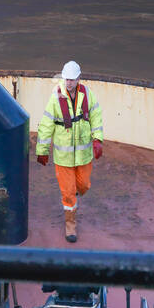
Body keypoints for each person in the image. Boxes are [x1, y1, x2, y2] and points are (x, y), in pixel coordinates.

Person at [36, 60, 103, 243]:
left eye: (72, 80)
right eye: (66, 79)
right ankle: (70, 226)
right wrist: (42, 150)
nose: (69, 83)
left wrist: (97, 139)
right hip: (63, 156)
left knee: (84, 185)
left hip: (83, 154)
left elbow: (96, 117)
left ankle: (75, 193)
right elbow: (47, 122)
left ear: (78, 79)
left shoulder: (88, 95)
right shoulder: (56, 97)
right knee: (68, 192)